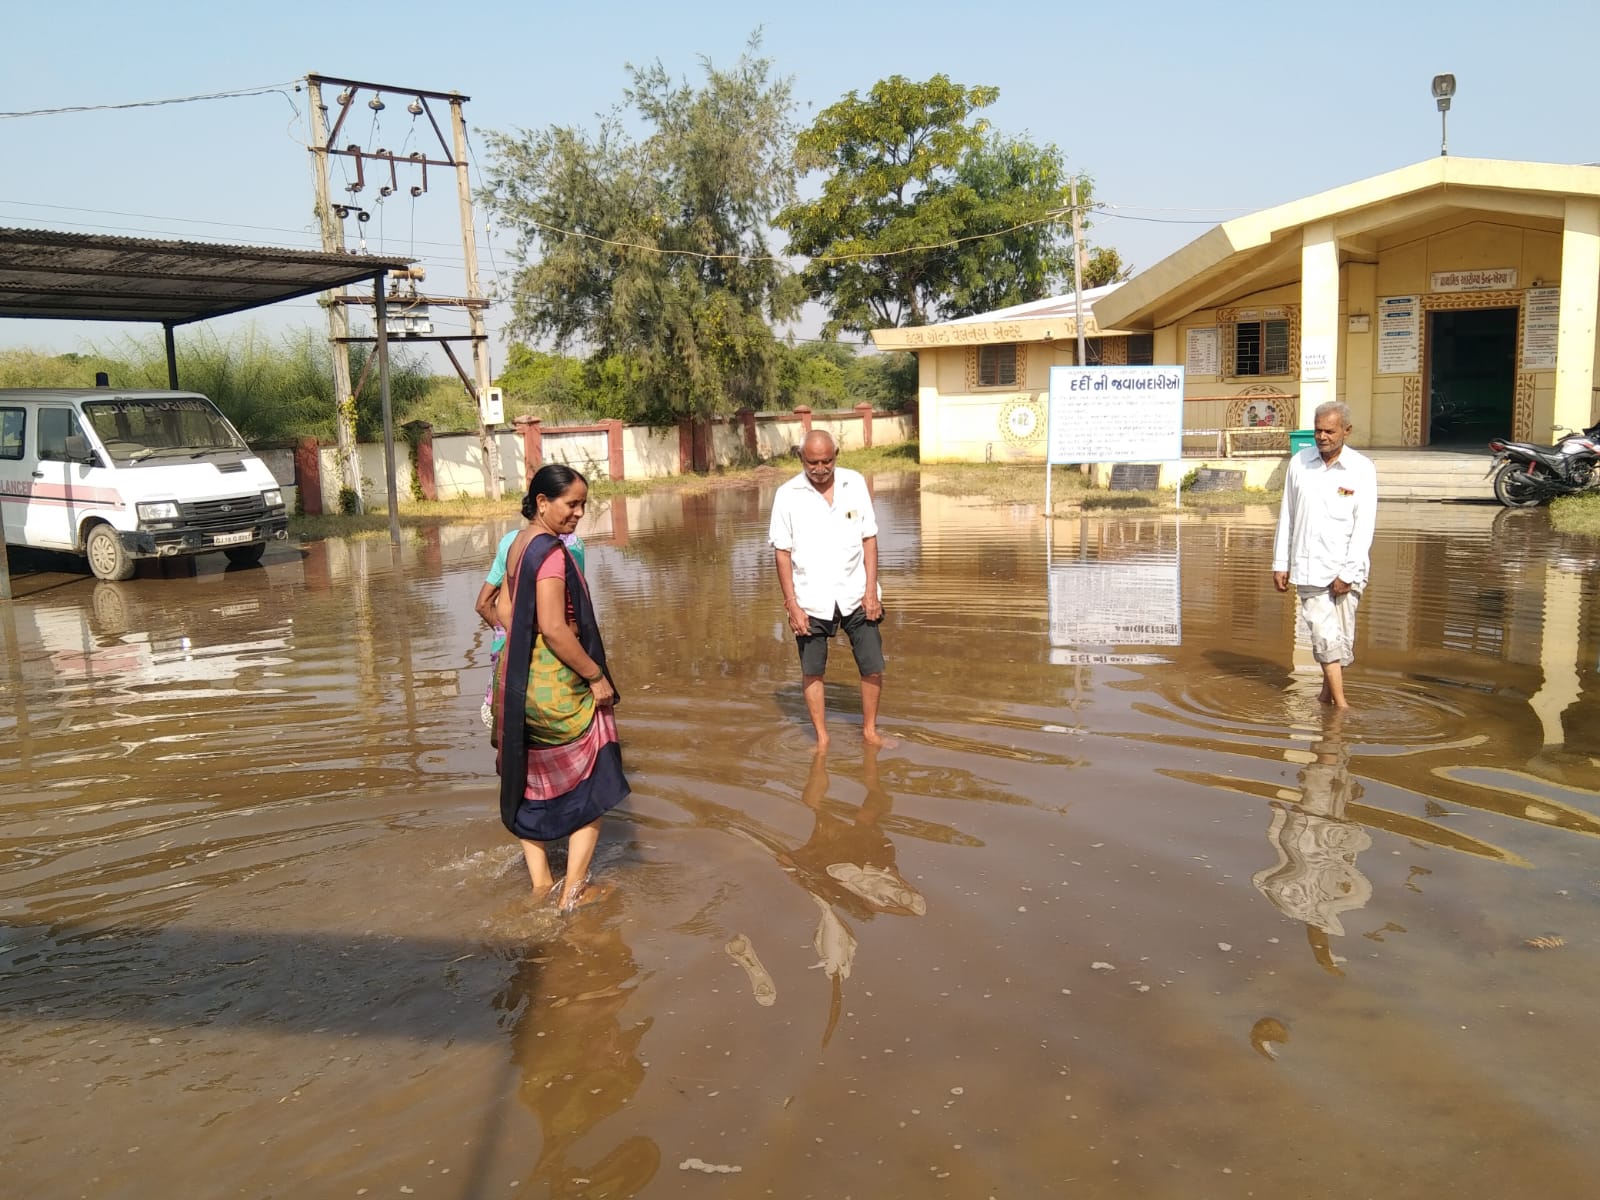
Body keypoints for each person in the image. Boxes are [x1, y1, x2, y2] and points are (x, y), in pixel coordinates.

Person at [493, 464, 627, 911]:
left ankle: (539, 885)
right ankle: (573, 889)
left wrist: (522, 658)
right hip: (556, 685)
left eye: (583, 504)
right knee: (597, 781)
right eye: (571, 504)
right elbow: (553, 627)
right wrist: (593, 675)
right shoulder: (551, 553)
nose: (579, 513)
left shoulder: (518, 545)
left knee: (531, 782)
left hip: (517, 683)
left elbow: (507, 612)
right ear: (542, 502)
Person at [769, 430, 885, 748]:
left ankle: (870, 731)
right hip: (810, 598)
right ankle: (822, 738)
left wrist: (871, 591)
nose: (820, 468)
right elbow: (782, 551)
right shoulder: (787, 494)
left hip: (857, 592)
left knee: (873, 666)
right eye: (812, 462)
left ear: (836, 455)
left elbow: (869, 538)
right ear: (800, 459)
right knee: (812, 671)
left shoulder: (855, 483)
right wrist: (792, 603)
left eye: (827, 461)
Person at [1272, 401, 1377, 708]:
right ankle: (1342, 707)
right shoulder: (1299, 463)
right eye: (1317, 430)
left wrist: (1348, 573)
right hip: (1308, 565)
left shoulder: (1362, 469)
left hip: (1348, 567)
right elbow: (1287, 516)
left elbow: (1364, 527)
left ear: (1346, 431)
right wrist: (1281, 563)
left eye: (1329, 431)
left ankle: (1325, 696)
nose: (1322, 437)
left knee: (1342, 639)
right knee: (1323, 633)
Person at [475, 520, 585, 729]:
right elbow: (568, 618)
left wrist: (512, 635)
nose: (578, 512)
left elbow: (483, 604)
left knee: (510, 741)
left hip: (507, 665)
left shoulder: (511, 541)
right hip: (553, 662)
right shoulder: (571, 546)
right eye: (574, 503)